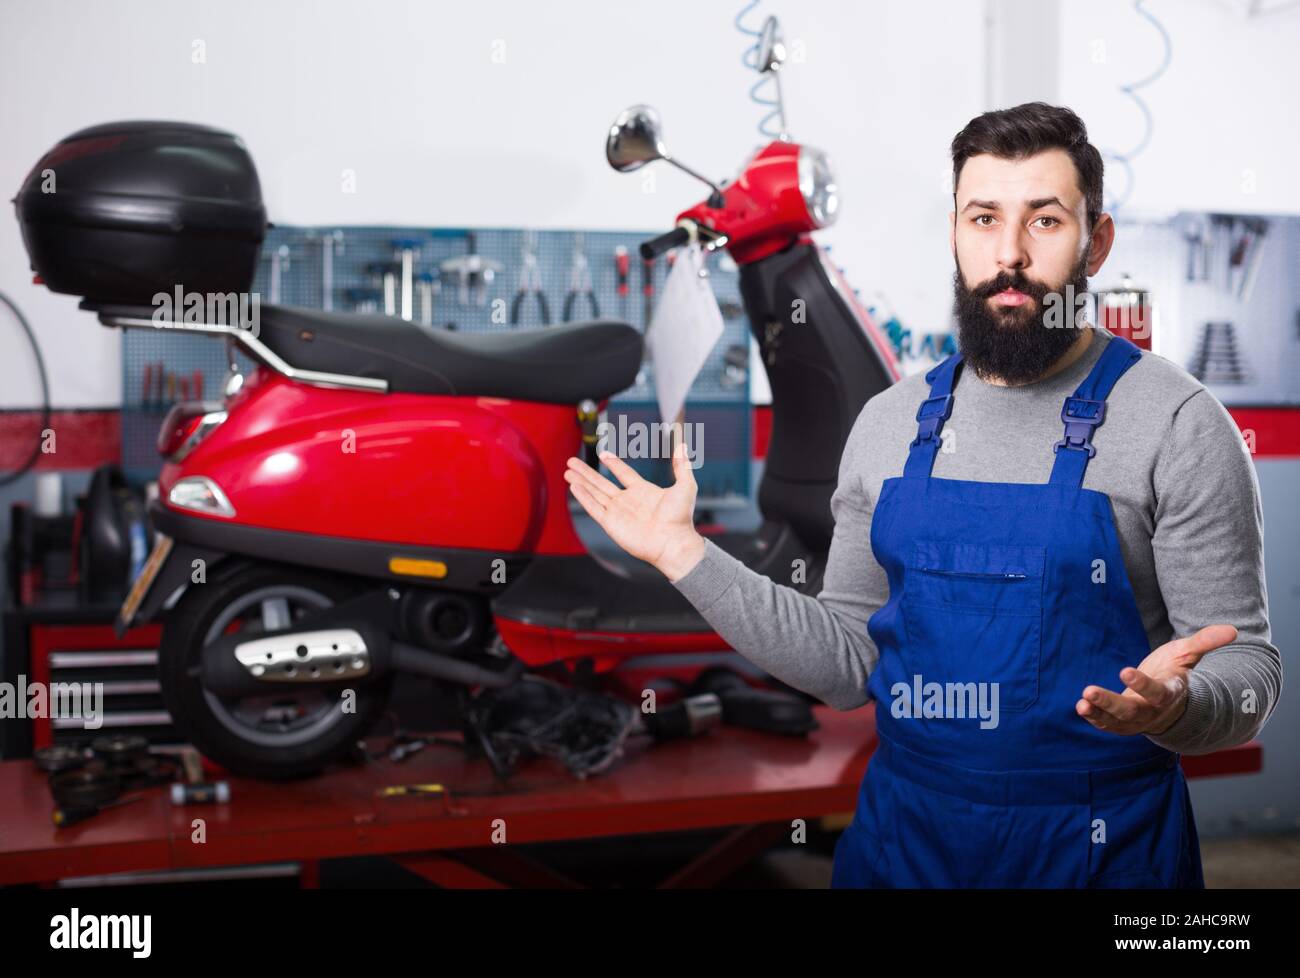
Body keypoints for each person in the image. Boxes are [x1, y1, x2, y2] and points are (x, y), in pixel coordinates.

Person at [563, 102, 1281, 888]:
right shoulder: (891, 424)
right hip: (907, 844)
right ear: (955, 233)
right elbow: (845, 664)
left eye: (1044, 221)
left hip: (1097, 849)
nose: (1008, 253)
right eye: (983, 219)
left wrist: (1180, 708)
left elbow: (1245, 667)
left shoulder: (1178, 423)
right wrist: (685, 556)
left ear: (1095, 242)